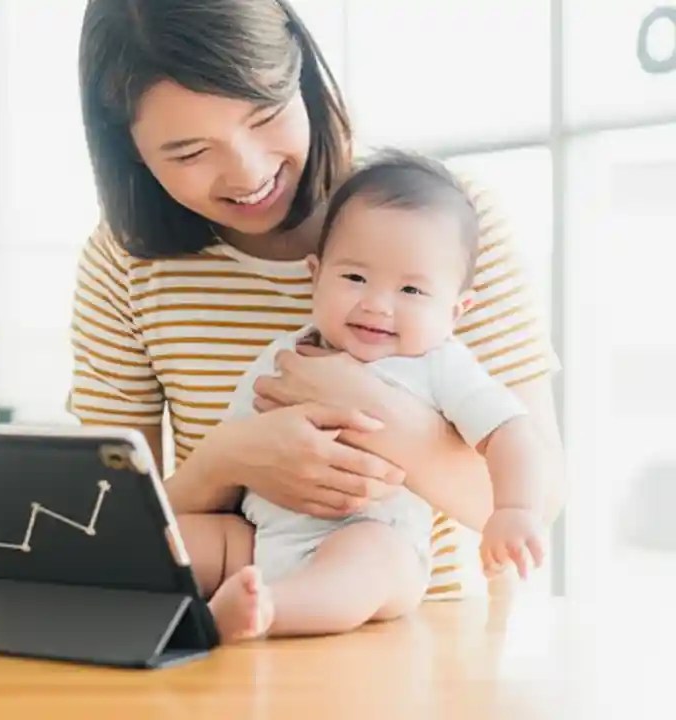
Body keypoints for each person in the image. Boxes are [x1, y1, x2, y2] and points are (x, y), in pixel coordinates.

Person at [70, 0, 565, 606]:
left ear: (301, 77)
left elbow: (537, 498)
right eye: (190, 152)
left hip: (420, 632)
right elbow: (108, 530)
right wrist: (225, 461)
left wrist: (369, 406)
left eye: (265, 115)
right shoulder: (124, 262)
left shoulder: (444, 226)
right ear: (129, 150)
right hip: (229, 619)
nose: (247, 173)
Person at [193, 151, 549, 640]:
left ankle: (266, 609)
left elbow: (511, 431)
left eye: (411, 291)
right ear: (315, 276)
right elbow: (236, 446)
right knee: (181, 541)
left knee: (366, 563)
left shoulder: (439, 364)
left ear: (455, 311)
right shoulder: (286, 357)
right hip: (260, 539)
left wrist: (515, 511)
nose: (377, 305)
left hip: (375, 539)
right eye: (355, 278)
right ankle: (140, 602)